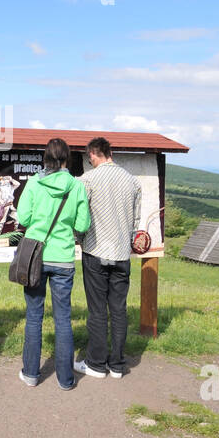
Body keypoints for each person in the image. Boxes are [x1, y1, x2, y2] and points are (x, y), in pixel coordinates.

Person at [14, 137, 90, 390]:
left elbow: (23, 217)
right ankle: (66, 380)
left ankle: (31, 374)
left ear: (45, 158)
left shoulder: (35, 183)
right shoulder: (76, 186)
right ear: (67, 159)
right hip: (63, 258)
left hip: (36, 256)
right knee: (63, 319)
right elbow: (82, 225)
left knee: (34, 316)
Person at [74, 137, 142, 380]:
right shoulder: (132, 182)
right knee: (119, 310)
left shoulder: (87, 180)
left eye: (88, 157)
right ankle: (117, 365)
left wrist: (79, 238)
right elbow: (135, 223)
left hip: (95, 252)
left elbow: (80, 217)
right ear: (110, 152)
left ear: (93, 154)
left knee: (97, 311)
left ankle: (95, 364)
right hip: (122, 255)